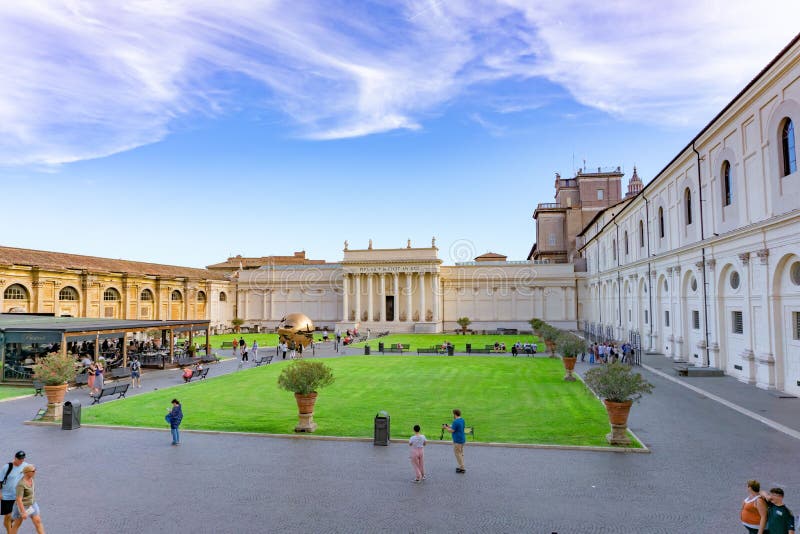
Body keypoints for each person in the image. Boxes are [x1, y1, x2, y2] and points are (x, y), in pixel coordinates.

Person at [9, 464, 43, 534]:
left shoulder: (31, 478)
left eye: (35, 470)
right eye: (33, 471)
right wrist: (23, 512)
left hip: (32, 504)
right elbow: (19, 499)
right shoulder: (21, 485)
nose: (35, 472)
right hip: (23, 506)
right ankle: (12, 518)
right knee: (17, 524)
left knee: (38, 521)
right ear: (27, 472)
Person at [1, 451, 28, 534]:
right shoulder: (7, 467)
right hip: (7, 496)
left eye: (23, 459)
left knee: (24, 513)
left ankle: (10, 526)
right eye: (19, 459)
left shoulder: (25, 466)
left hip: (19, 495)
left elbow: (30, 476)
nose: (21, 461)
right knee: (8, 516)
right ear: (15, 458)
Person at [442, 409, 466, 473]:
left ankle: (462, 468)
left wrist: (445, 428)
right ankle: (461, 466)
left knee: (457, 454)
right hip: (462, 439)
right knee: (460, 453)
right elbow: (456, 427)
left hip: (457, 440)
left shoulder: (455, 421)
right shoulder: (462, 420)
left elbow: (452, 430)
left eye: (453, 414)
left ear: (455, 414)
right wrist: (448, 425)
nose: (453, 415)